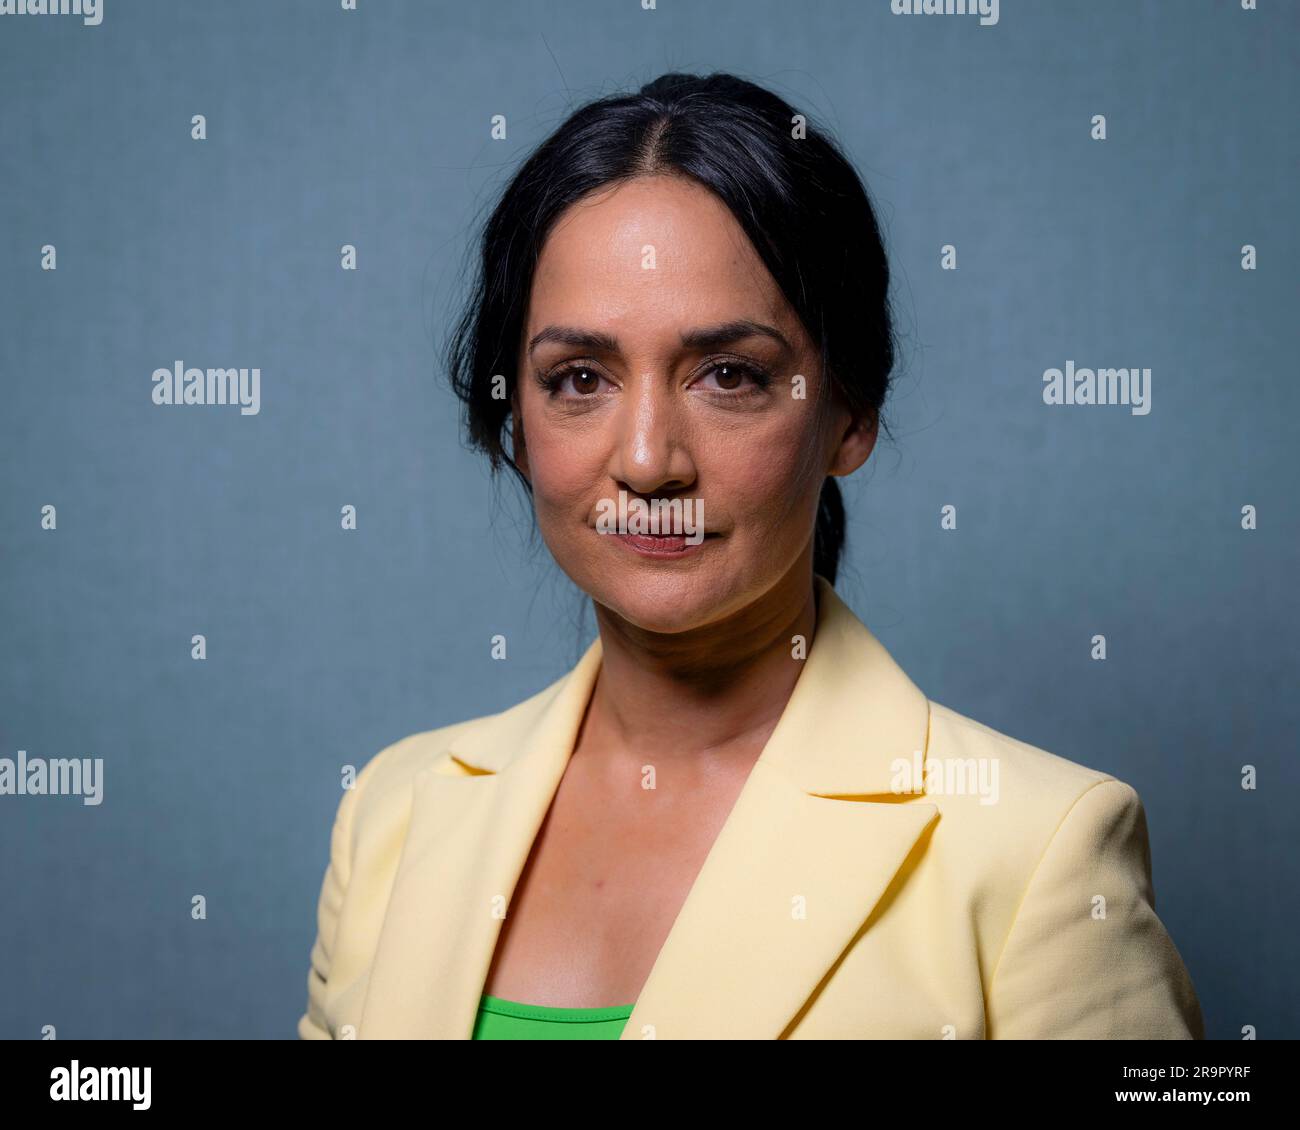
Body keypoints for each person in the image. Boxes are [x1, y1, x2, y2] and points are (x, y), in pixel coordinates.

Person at [297, 72, 1203, 1040]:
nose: (647, 459)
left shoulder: (1038, 855)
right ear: (515, 421)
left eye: (728, 374)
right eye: (579, 378)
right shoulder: (394, 815)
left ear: (848, 412)